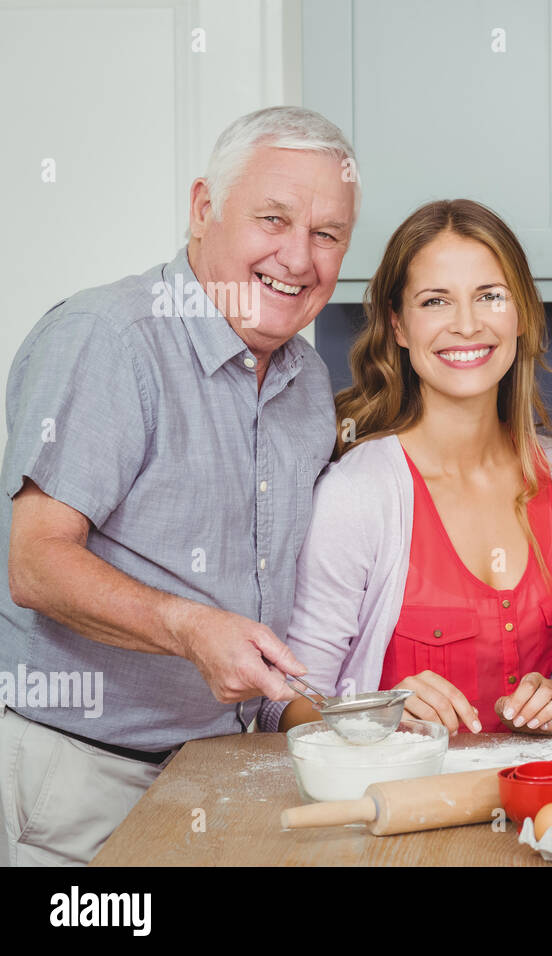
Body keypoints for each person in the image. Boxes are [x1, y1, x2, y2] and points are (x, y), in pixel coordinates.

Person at [0, 106, 358, 865]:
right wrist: (190, 628)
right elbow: (34, 563)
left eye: (327, 234)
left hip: (213, 775)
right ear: (203, 209)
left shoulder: (306, 380)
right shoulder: (110, 337)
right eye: (273, 219)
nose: (298, 257)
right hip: (70, 776)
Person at [263, 200, 552, 739]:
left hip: (539, 814)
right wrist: (377, 709)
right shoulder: (357, 494)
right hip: (393, 808)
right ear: (397, 325)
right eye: (435, 301)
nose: (466, 325)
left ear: (521, 314)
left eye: (490, 296)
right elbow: (284, 704)